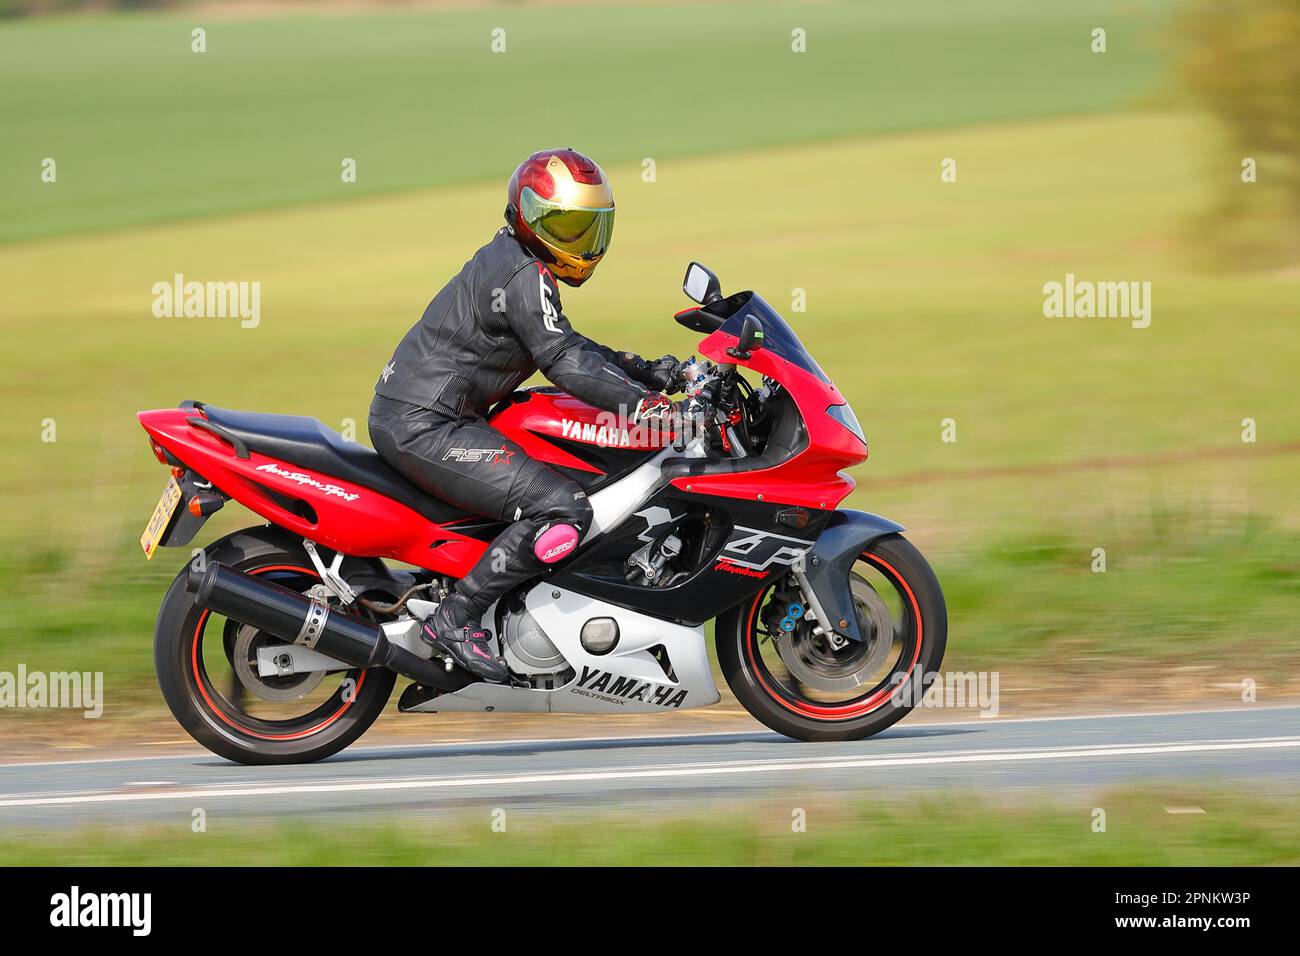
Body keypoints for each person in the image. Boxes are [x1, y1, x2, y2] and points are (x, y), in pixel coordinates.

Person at [369, 148, 689, 682]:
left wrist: (647, 371)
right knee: (562, 508)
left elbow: (564, 343)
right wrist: (653, 412)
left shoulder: (518, 263)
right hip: (426, 424)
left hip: (428, 415)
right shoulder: (524, 273)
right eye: (565, 226)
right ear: (529, 216)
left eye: (588, 227)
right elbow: (565, 363)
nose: (579, 241)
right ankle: (454, 618)